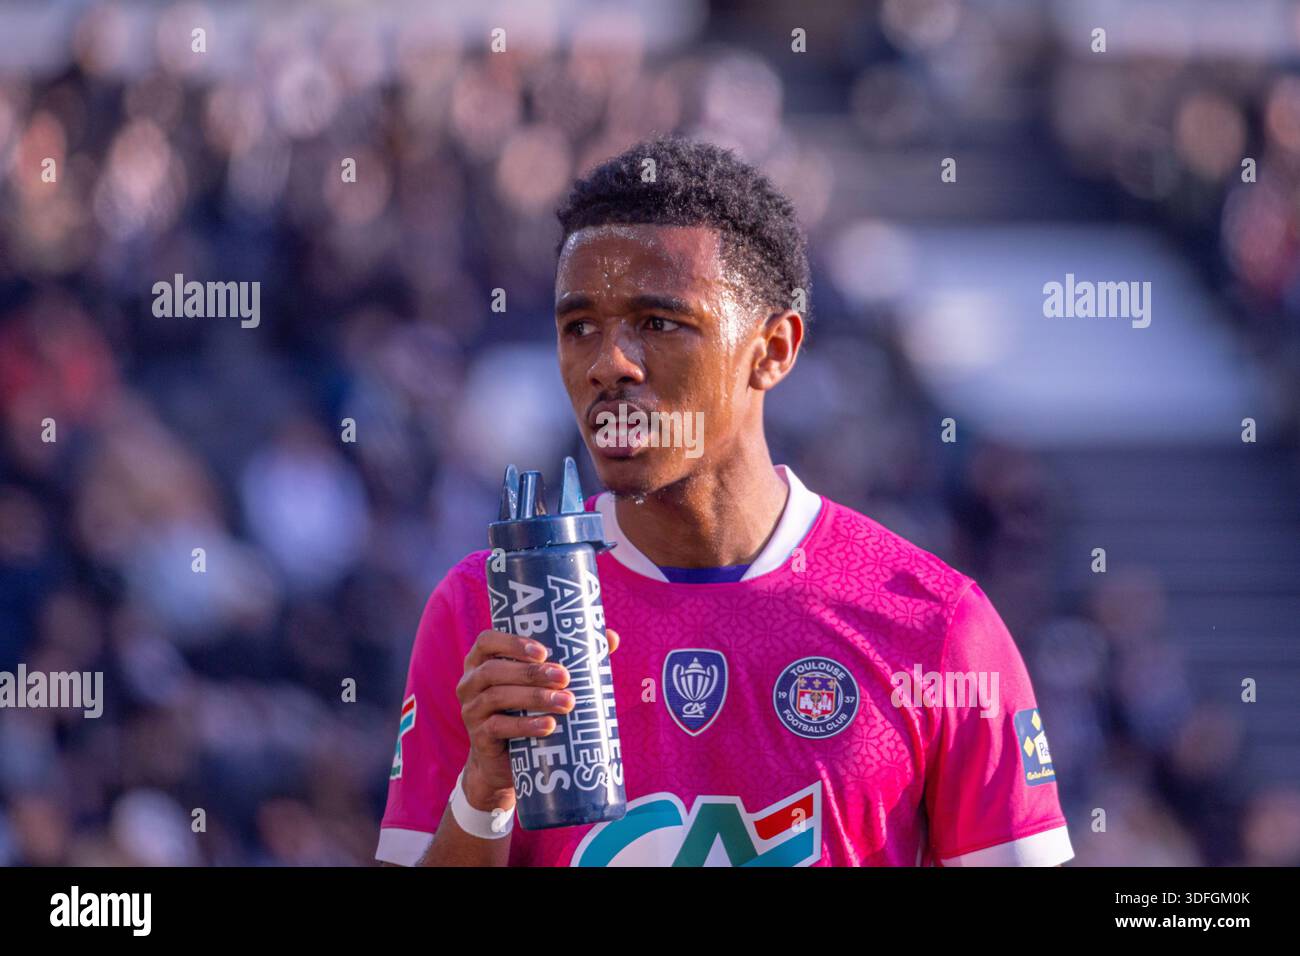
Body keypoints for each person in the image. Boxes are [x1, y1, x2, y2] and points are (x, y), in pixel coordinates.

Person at [376, 136, 1073, 867]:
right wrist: (484, 794)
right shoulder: (486, 612)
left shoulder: (933, 624)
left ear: (773, 349)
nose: (608, 362)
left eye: (659, 323)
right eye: (580, 326)